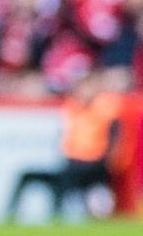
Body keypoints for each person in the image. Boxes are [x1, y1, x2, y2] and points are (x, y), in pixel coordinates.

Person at [8, 71, 125, 221]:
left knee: (90, 192)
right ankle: (53, 215)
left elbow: (113, 134)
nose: (84, 91)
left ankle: (89, 212)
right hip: (73, 161)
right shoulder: (72, 105)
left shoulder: (105, 105)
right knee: (54, 179)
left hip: (96, 163)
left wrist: (109, 159)